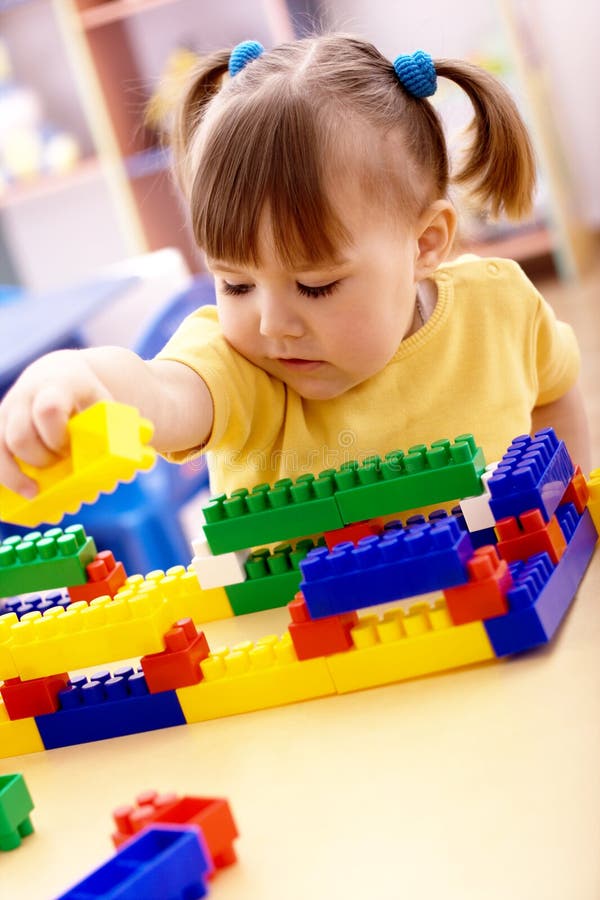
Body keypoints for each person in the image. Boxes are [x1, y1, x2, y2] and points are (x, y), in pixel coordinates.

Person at [0, 35, 590, 505]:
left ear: (425, 243)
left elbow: (555, 388)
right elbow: (160, 392)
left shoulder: (501, 308)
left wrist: (570, 503)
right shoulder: (241, 367)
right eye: (235, 283)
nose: (273, 323)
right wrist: (79, 378)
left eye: (315, 285)